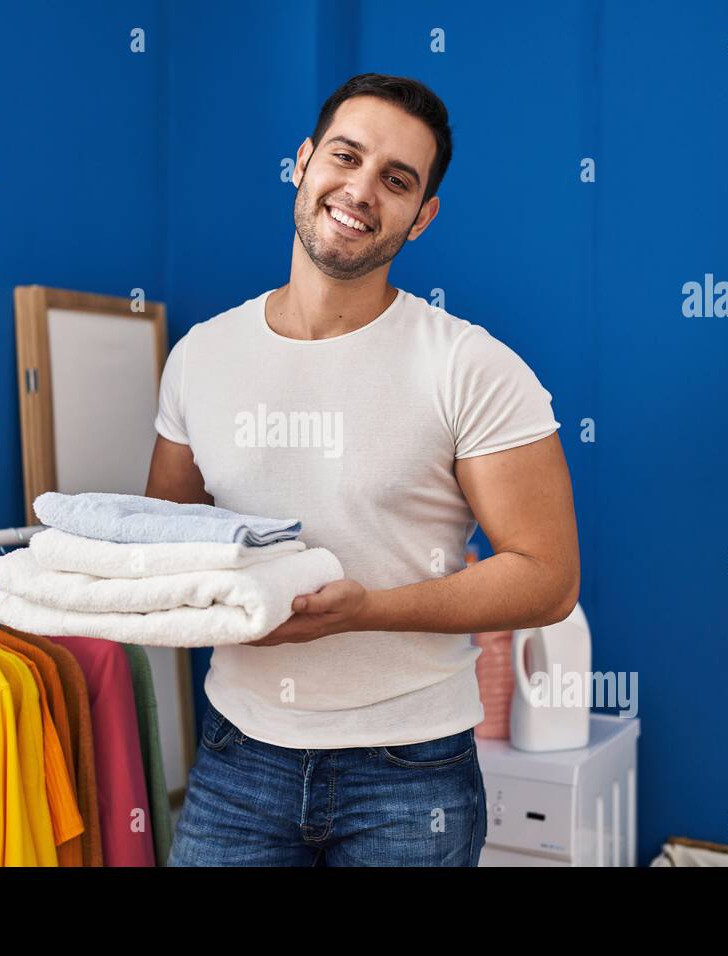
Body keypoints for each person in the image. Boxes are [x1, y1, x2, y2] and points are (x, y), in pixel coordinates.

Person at [147, 73, 580, 866]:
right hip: (237, 756)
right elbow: (168, 540)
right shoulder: (201, 357)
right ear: (304, 161)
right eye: (345, 156)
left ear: (422, 218)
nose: (361, 189)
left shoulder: (472, 368)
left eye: (397, 180)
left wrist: (366, 609)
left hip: (409, 775)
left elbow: (548, 578)